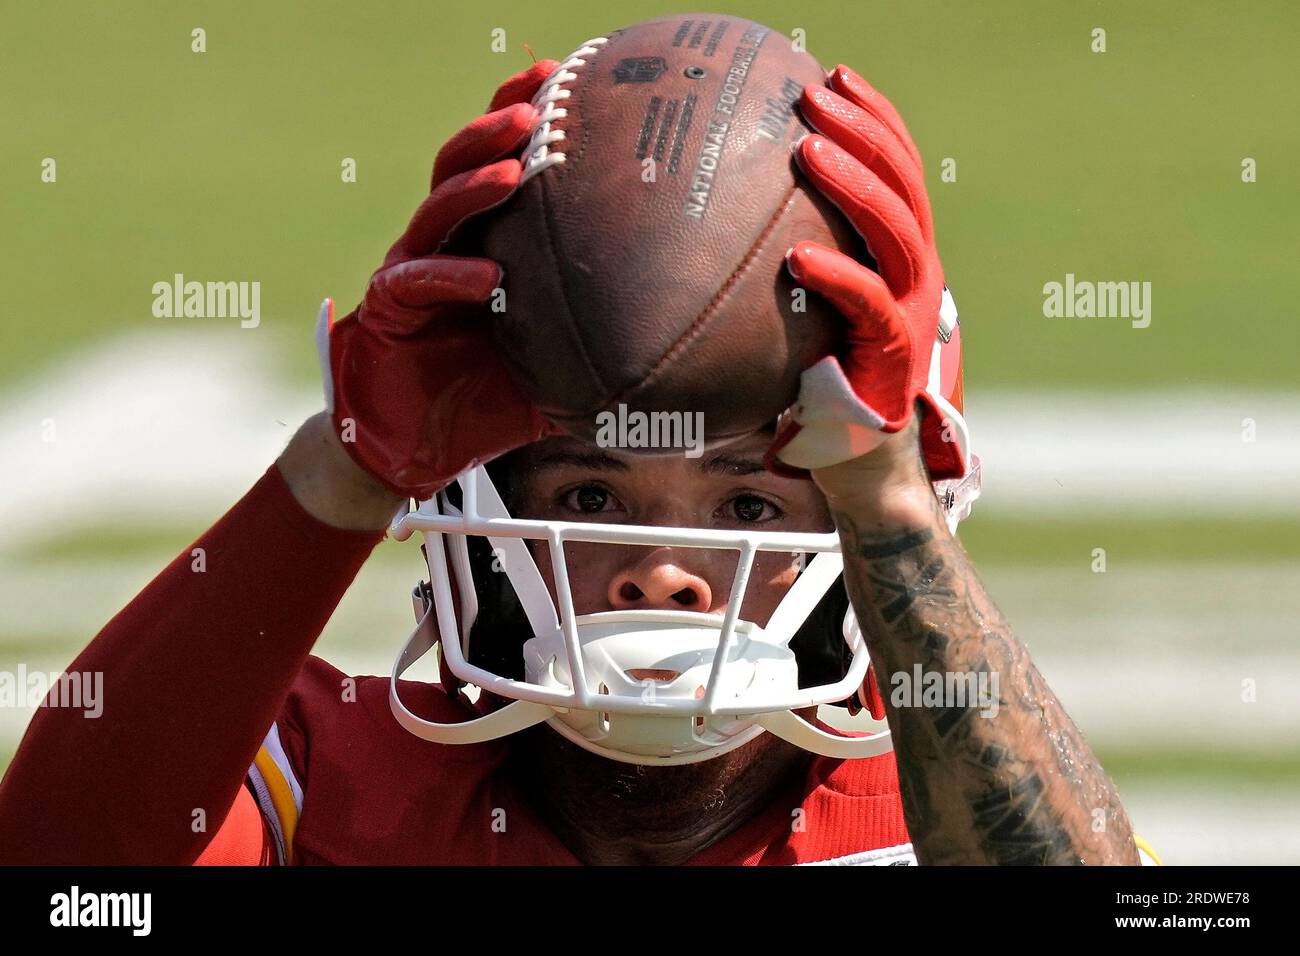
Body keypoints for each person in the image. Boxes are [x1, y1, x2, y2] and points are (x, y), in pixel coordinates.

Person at [0, 58, 1154, 866]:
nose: (664, 571)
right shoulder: (320, 778)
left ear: (858, 528)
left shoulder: (933, 819)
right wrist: (340, 476)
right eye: (591, 492)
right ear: (474, 501)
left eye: (748, 502)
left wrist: (891, 499)